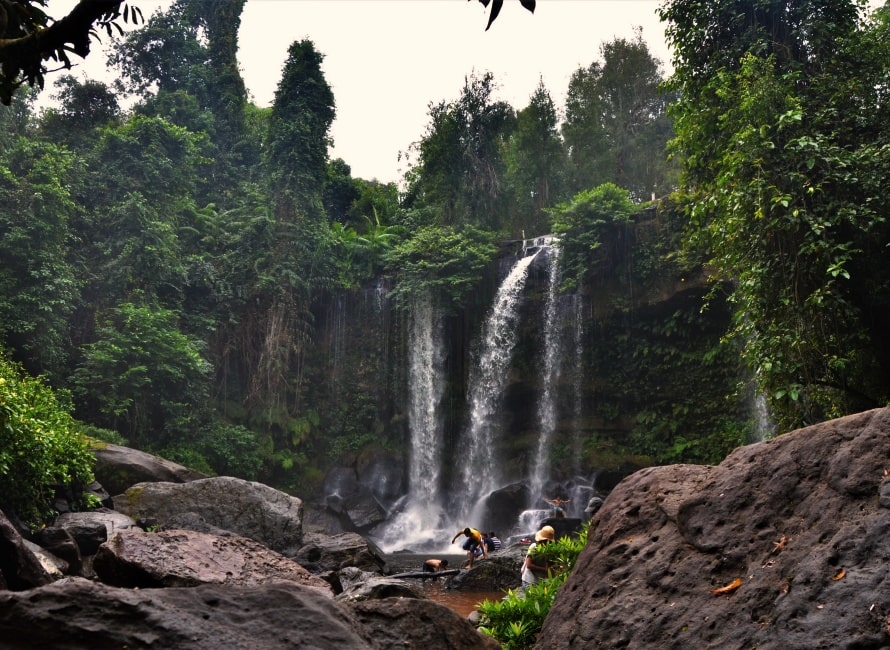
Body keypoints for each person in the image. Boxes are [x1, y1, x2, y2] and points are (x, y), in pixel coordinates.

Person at [521, 525, 555, 591]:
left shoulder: (550, 550)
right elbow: (529, 565)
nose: (549, 543)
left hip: (540, 581)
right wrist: (545, 569)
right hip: (529, 580)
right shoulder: (534, 547)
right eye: (547, 541)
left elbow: (549, 566)